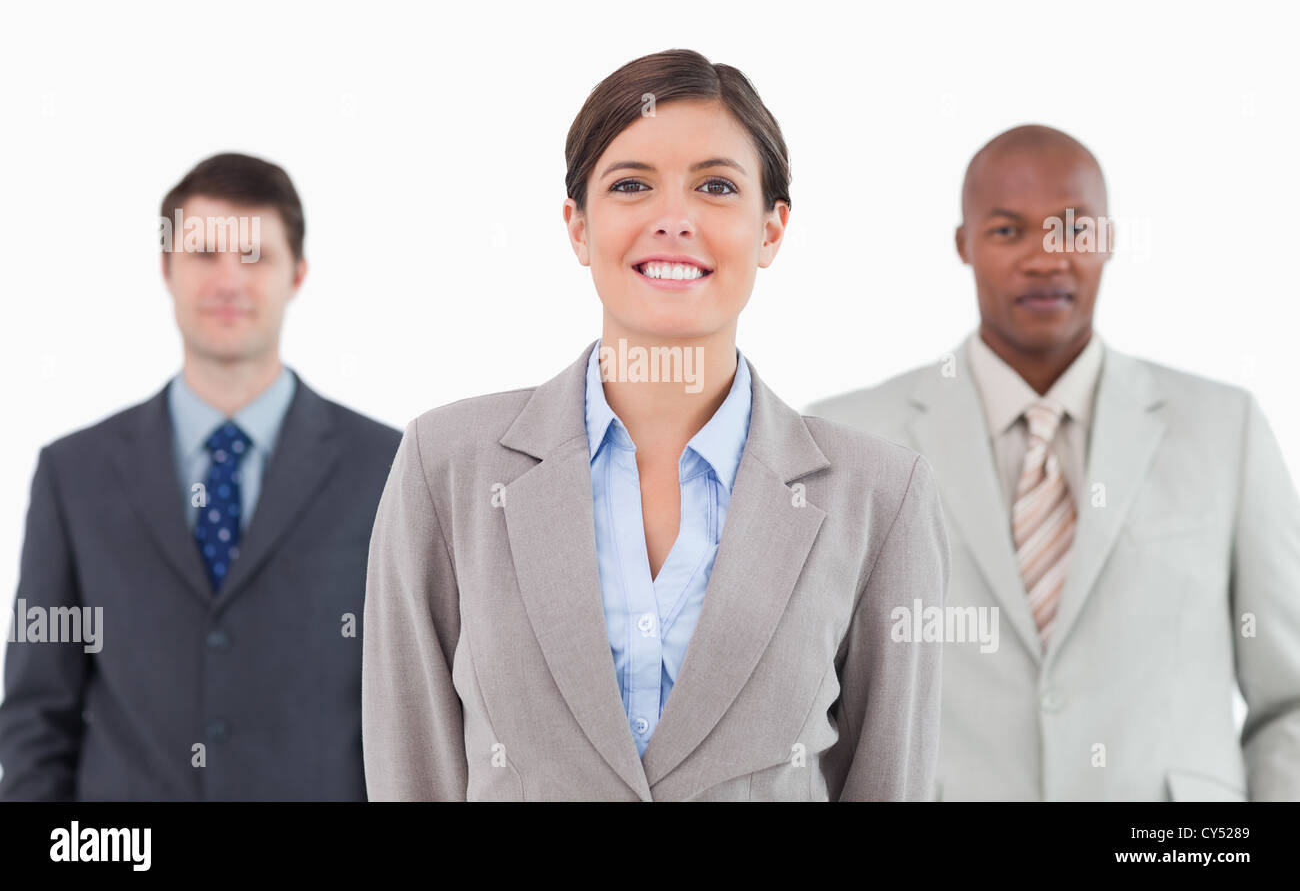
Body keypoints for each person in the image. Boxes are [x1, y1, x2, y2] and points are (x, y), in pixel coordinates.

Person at [362, 49, 950, 801]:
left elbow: (890, 784)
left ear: (771, 231)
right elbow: (410, 773)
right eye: (632, 185)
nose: (673, 220)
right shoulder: (446, 469)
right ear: (578, 226)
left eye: (715, 186)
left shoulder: (881, 498)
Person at [808, 124, 1300, 800]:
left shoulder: (1224, 430)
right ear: (965, 244)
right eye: (1009, 231)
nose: (1045, 258)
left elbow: (1291, 699)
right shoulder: (851, 436)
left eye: (1073, 230)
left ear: (1109, 239)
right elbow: (804, 711)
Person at [0, 153, 401, 800]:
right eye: (205, 253)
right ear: (167, 268)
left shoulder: (389, 468)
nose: (227, 282)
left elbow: (415, 709)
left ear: (297, 274)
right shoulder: (72, 475)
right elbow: (35, 712)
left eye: (254, 257)